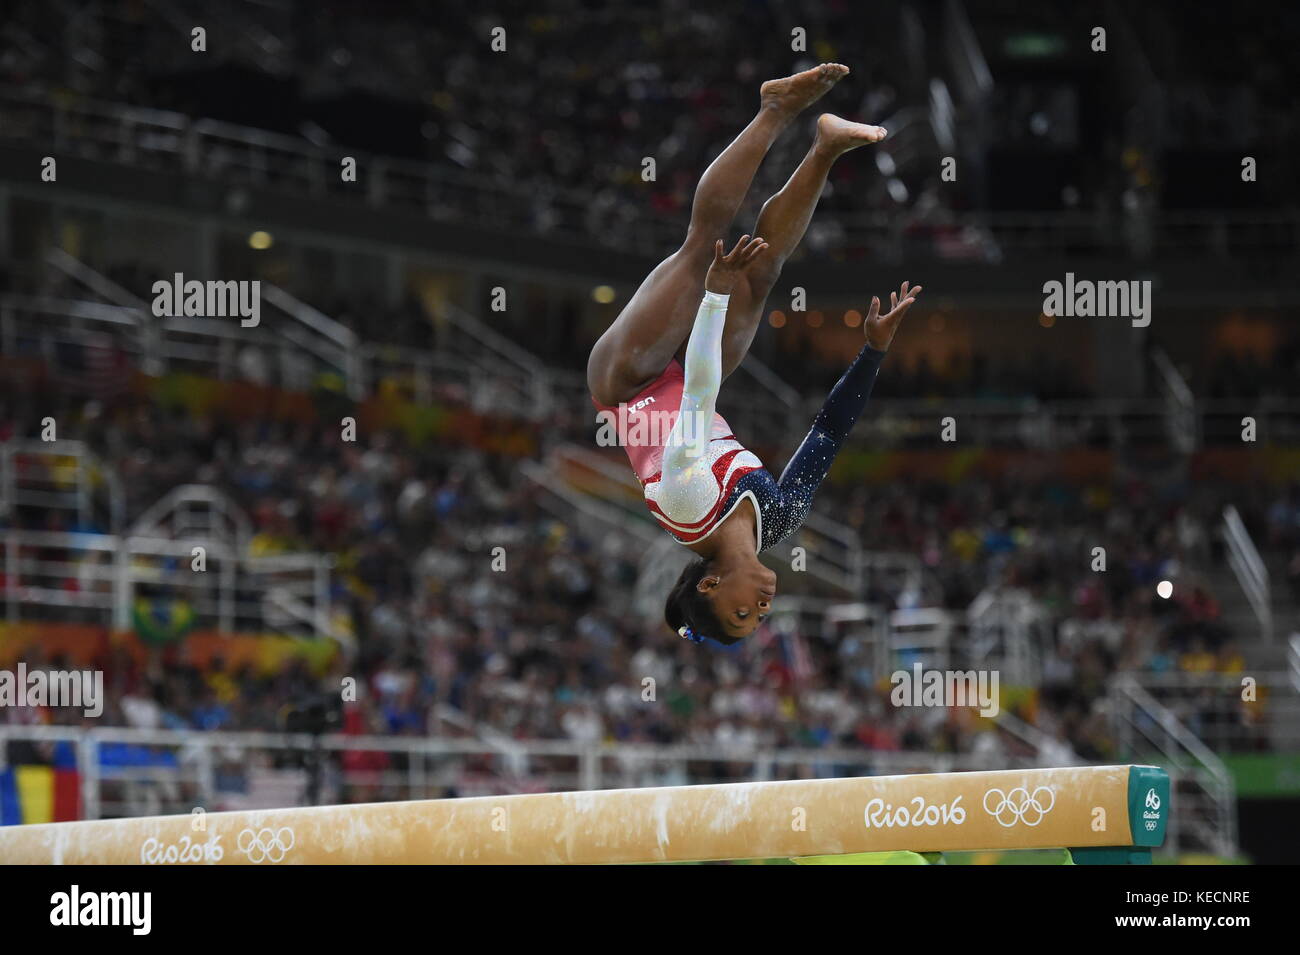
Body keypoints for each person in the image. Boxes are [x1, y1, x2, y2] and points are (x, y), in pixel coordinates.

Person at [587, 64, 921, 646]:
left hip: (628, 382)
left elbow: (698, 395)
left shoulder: (690, 505)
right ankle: (824, 147)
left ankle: (773, 107)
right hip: (693, 369)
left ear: (711, 589)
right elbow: (827, 434)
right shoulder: (779, 519)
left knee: (701, 251)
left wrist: (715, 289)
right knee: (764, 272)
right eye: (760, 620)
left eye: (744, 615)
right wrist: (872, 352)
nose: (762, 609)